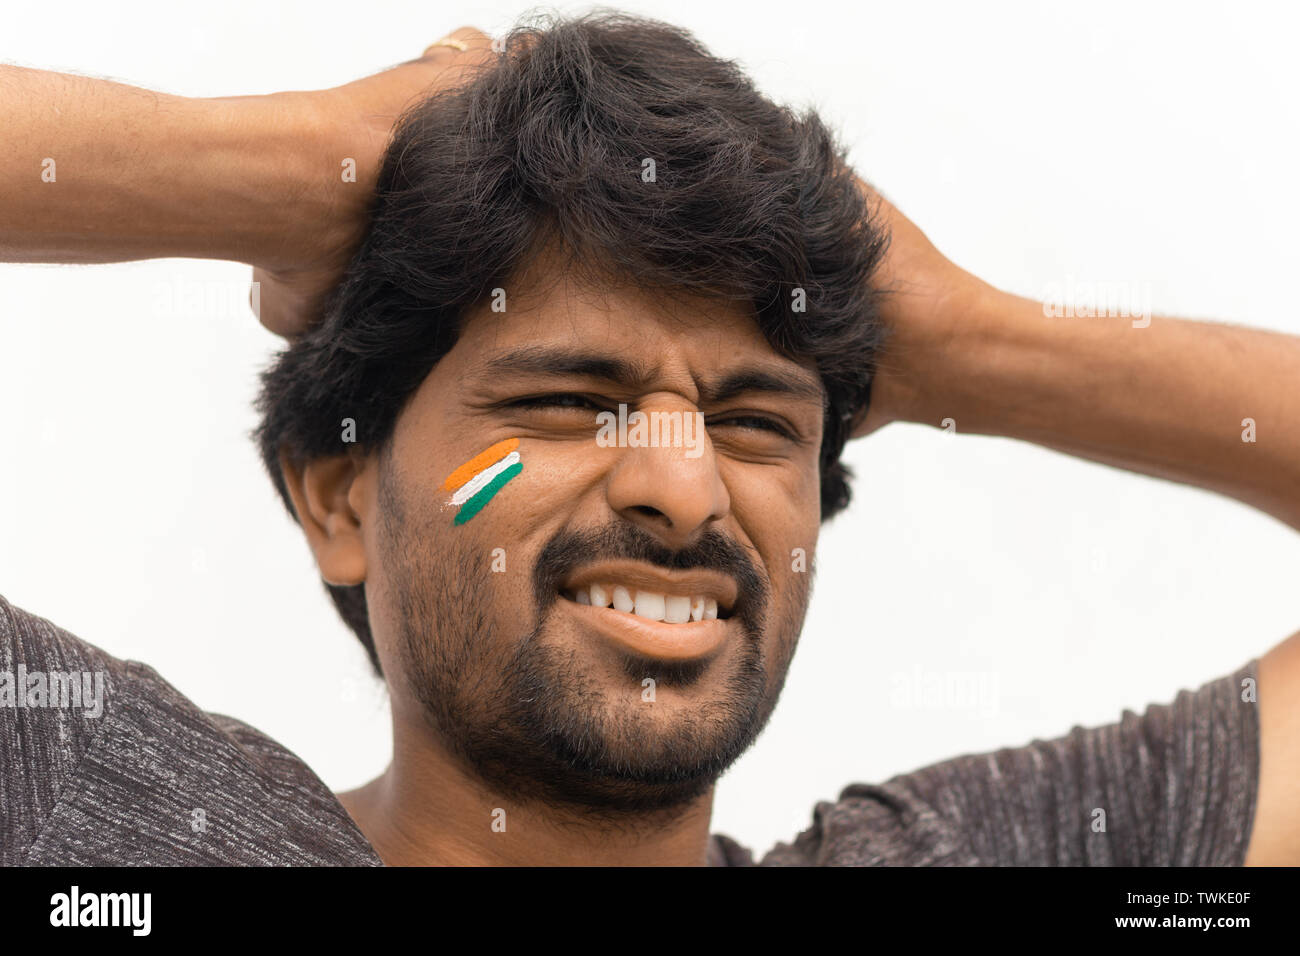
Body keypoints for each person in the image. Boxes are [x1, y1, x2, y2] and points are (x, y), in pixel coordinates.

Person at [1, 13, 1296, 867]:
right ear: (341, 500)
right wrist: (286, 163)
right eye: (567, 405)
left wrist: (971, 342)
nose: (686, 490)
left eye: (752, 423)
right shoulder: (86, 804)